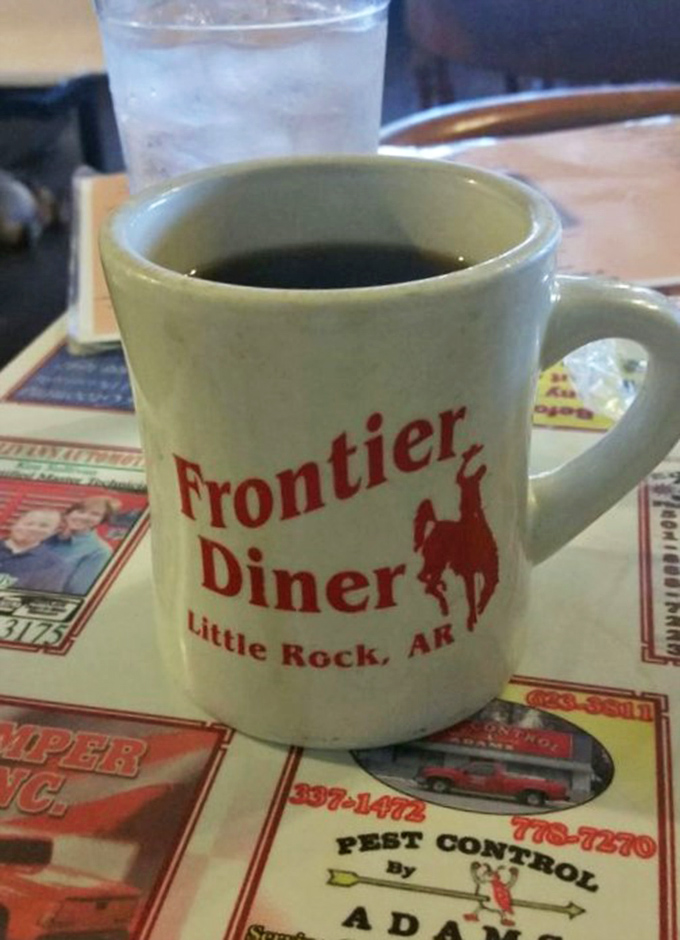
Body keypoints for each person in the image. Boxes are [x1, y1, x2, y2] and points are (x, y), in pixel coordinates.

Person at [45, 496, 121, 595]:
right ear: (68, 514)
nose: (84, 517)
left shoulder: (100, 552)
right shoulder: (44, 538)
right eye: (80, 511)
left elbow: (77, 592)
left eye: (95, 514)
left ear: (101, 520)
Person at [0, 509, 69, 592]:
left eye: (44, 526)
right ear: (15, 524)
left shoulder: (54, 565)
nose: (33, 528)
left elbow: (41, 600)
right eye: (29, 523)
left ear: (53, 532)